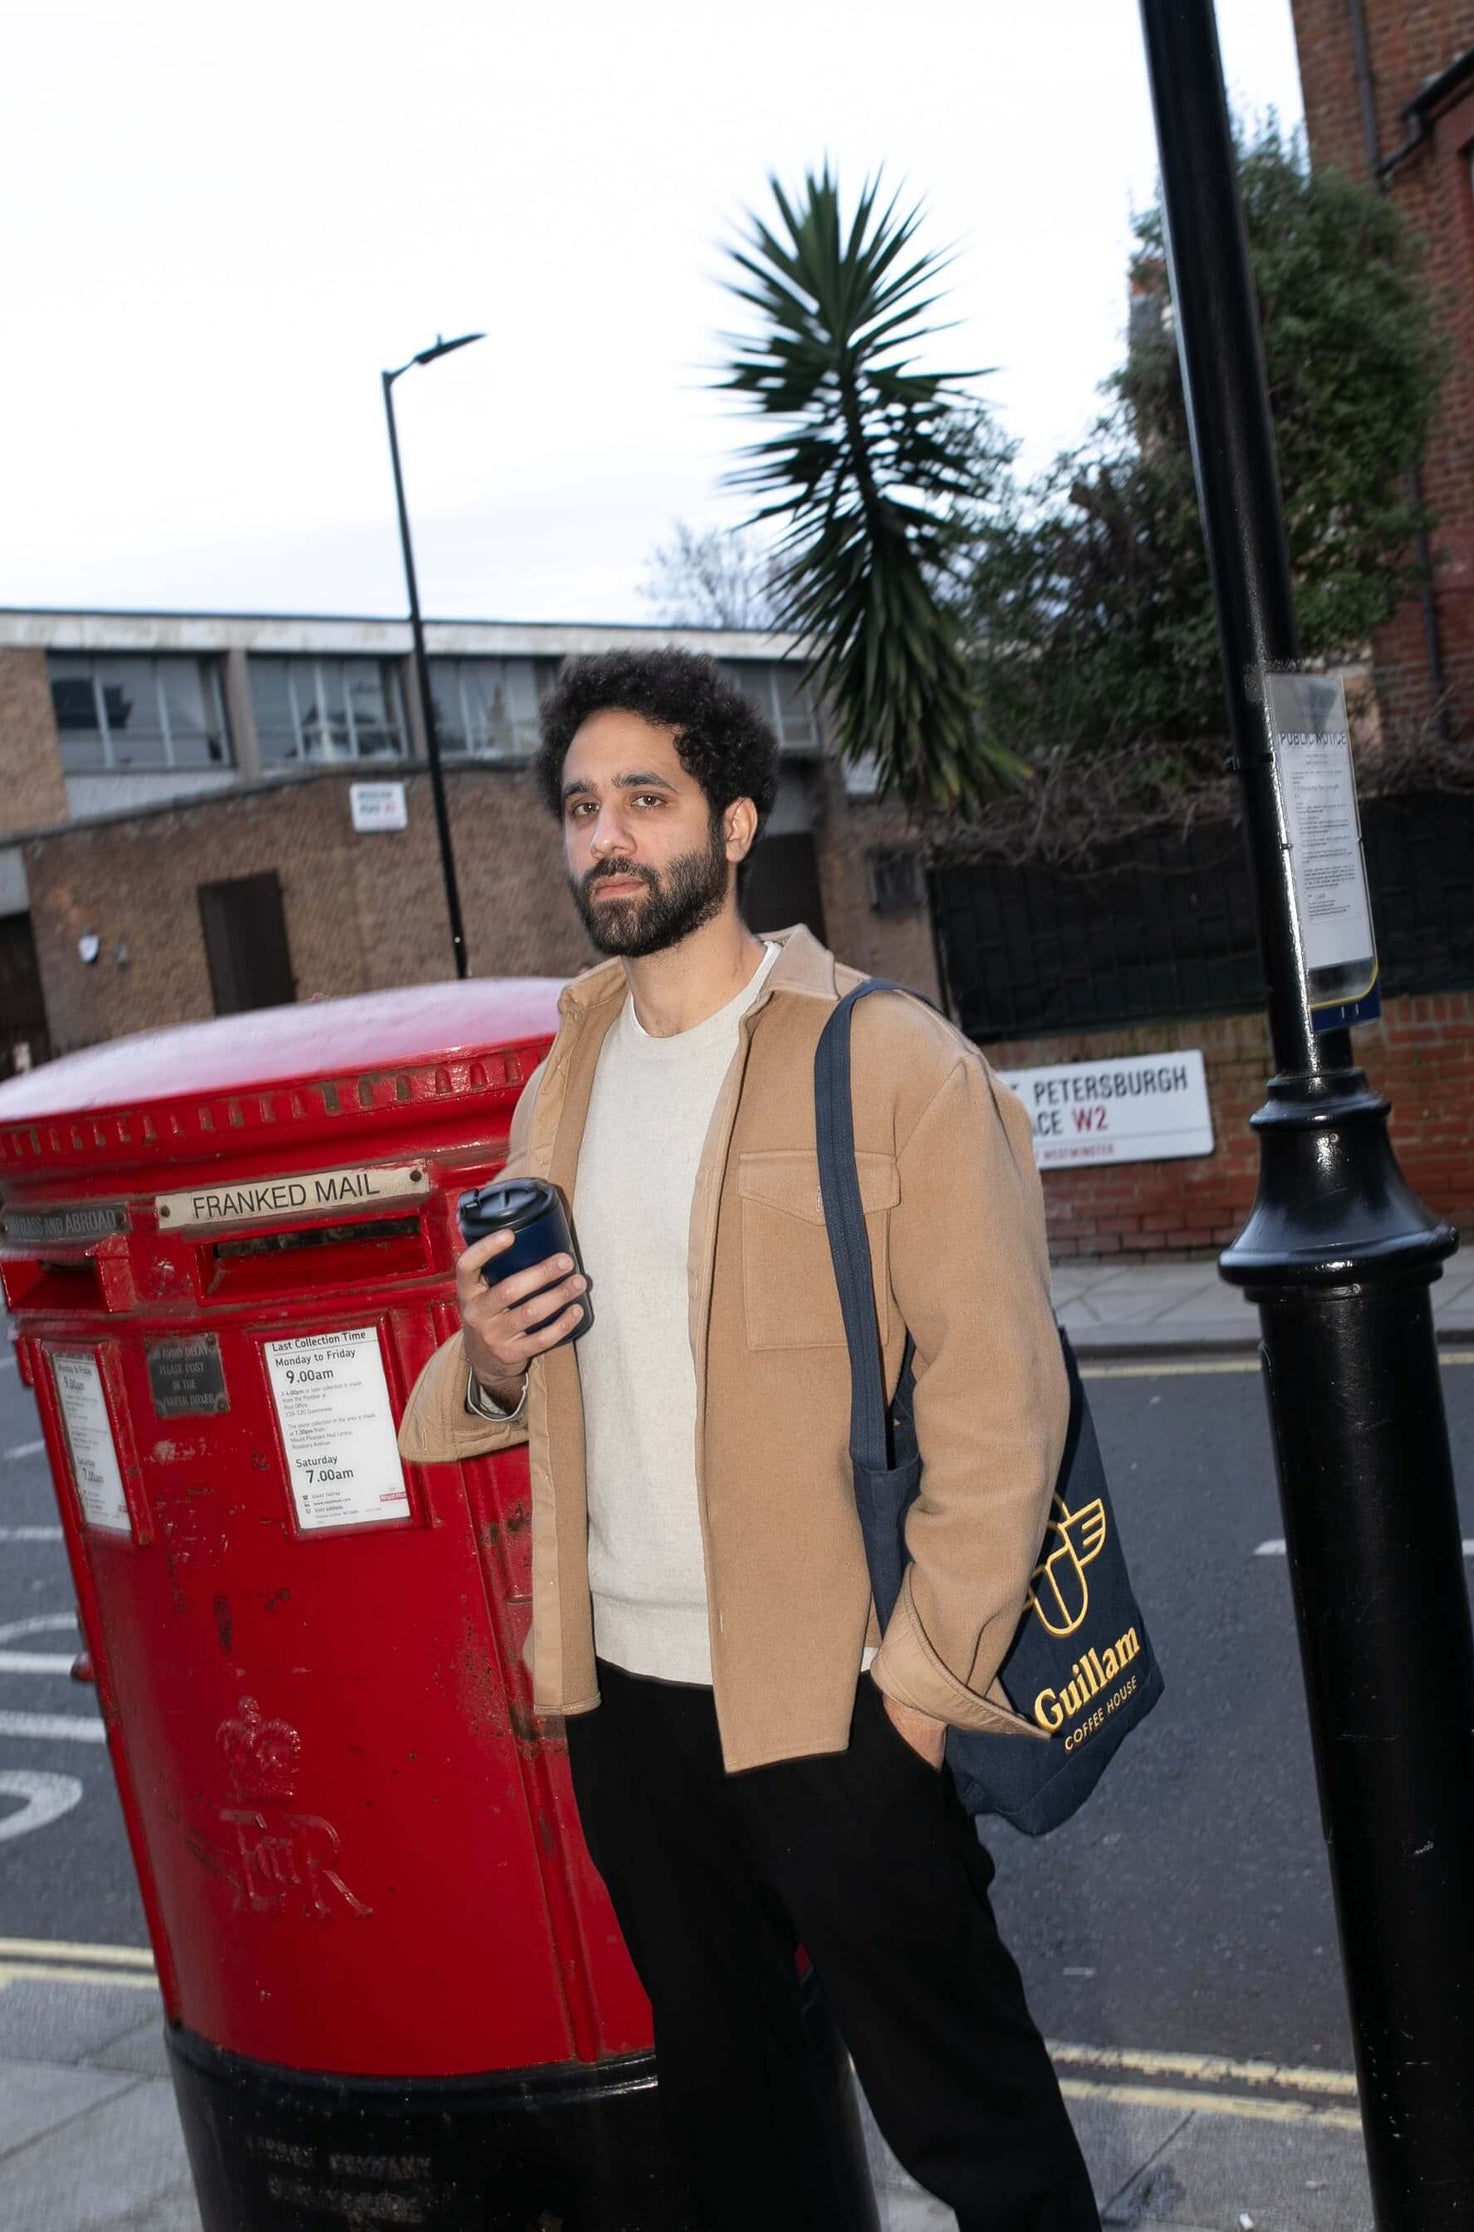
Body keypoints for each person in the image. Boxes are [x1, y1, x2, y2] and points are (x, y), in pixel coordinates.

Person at [397, 650, 1100, 2231]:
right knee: (736, 2118)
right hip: (629, 1703)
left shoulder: (890, 1060)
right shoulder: (559, 1085)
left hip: (838, 1693)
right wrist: (497, 1363)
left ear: (728, 817)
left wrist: (920, 1694)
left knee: (965, 2113)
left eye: (643, 799)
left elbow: (1004, 1404)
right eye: (581, 809)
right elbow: (509, 1389)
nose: (606, 839)